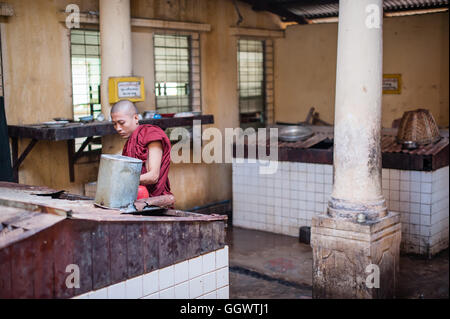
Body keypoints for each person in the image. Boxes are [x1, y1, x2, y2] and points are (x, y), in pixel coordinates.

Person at [110, 100, 174, 207]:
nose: (118, 128)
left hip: (155, 201)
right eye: (114, 124)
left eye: (121, 123)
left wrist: (122, 180)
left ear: (135, 118)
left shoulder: (151, 135)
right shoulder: (129, 144)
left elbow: (153, 176)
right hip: (136, 201)